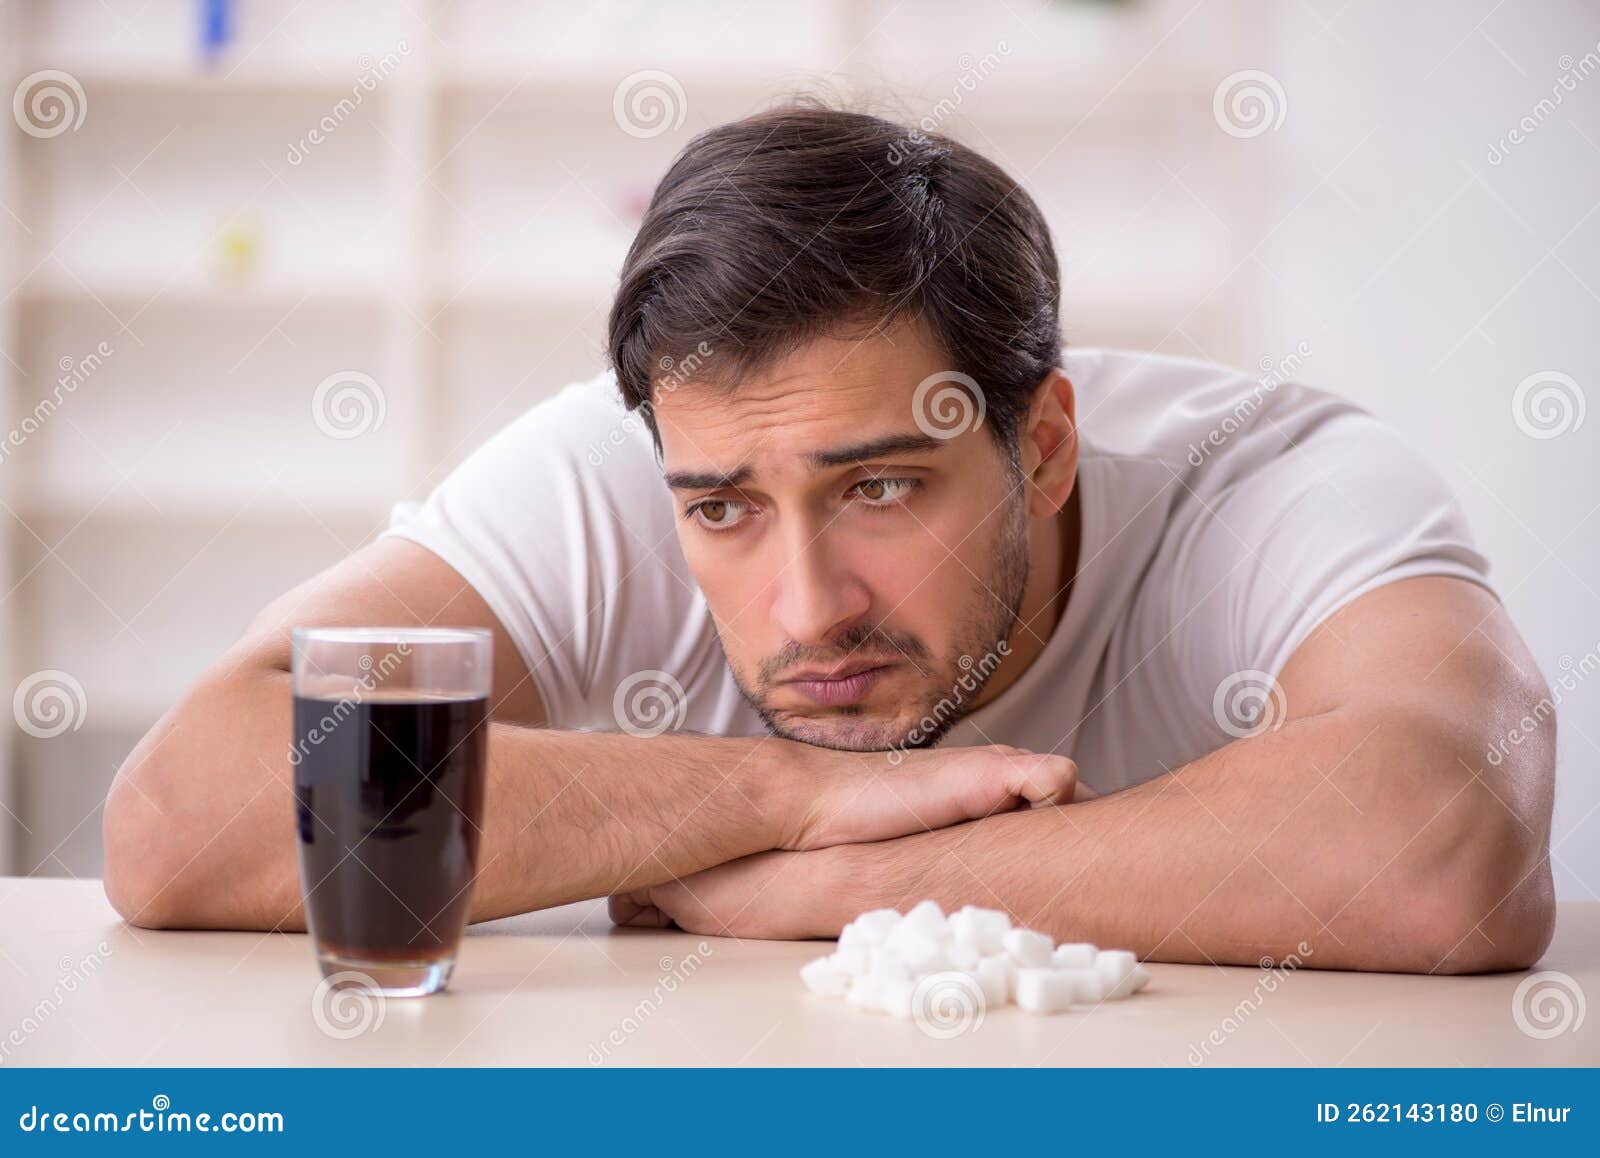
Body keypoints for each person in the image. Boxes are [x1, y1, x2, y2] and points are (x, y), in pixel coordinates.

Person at [103, 105, 1555, 973]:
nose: (805, 604)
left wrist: (836, 885)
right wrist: (781, 792)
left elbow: (1449, 842)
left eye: (881, 489)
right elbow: (183, 819)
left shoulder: (1273, 486)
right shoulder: (623, 471)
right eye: (723, 511)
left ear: (1040, 444)